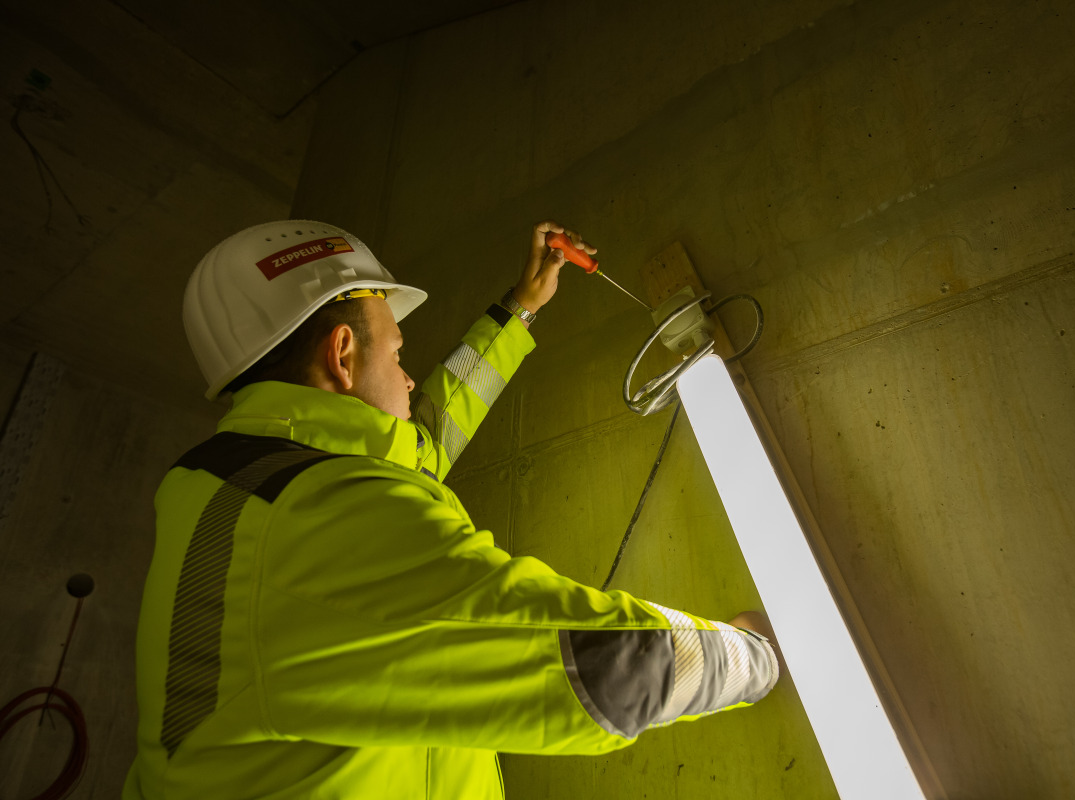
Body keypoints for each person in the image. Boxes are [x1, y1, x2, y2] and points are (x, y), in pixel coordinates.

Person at [123, 219, 779, 799]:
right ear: (342, 356)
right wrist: (754, 658)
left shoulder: (248, 482)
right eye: (399, 353)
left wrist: (519, 311)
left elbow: (417, 443)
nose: (410, 379)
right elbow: (605, 669)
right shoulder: (320, 523)